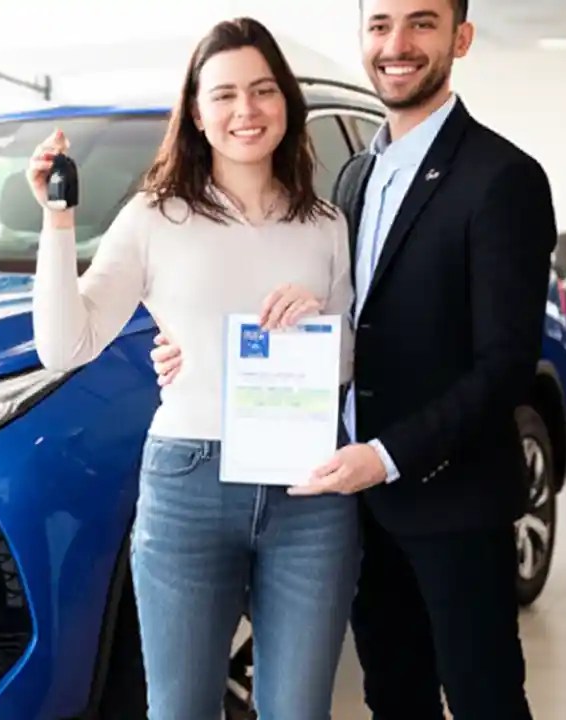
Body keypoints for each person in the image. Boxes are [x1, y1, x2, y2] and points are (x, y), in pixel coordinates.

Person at [151, 1, 557, 717]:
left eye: (422, 23)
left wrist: (387, 457)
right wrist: (199, 347)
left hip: (450, 498)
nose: (397, 44)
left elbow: (504, 365)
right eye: (379, 25)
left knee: (485, 698)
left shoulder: (503, 178)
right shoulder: (352, 179)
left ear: (461, 38)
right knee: (393, 698)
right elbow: (346, 327)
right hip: (356, 507)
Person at [29, 17, 360, 719]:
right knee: (180, 709)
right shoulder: (155, 218)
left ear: (287, 102)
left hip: (309, 491)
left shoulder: (325, 223)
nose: (247, 110)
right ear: (198, 114)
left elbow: (342, 368)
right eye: (225, 95)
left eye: (263, 90)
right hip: (189, 484)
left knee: (299, 710)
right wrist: (57, 223)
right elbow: (65, 345)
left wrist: (317, 326)